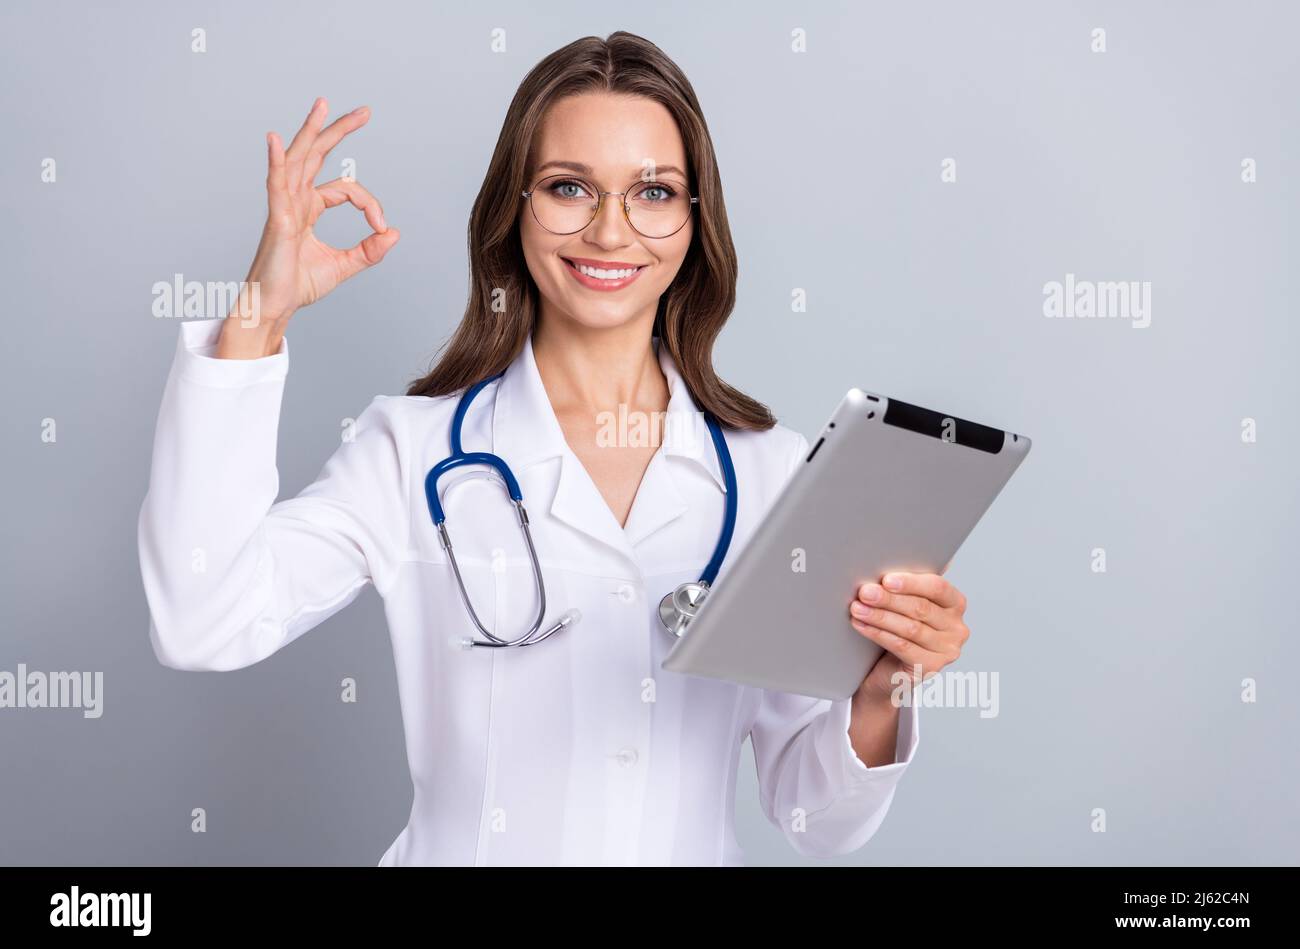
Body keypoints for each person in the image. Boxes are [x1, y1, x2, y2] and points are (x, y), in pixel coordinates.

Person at [137, 31, 971, 866]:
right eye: (569, 187)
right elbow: (203, 623)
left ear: (693, 220)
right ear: (515, 206)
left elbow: (815, 820)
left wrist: (881, 688)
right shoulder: (414, 449)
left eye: (653, 191)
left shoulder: (771, 471)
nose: (611, 232)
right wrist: (260, 316)